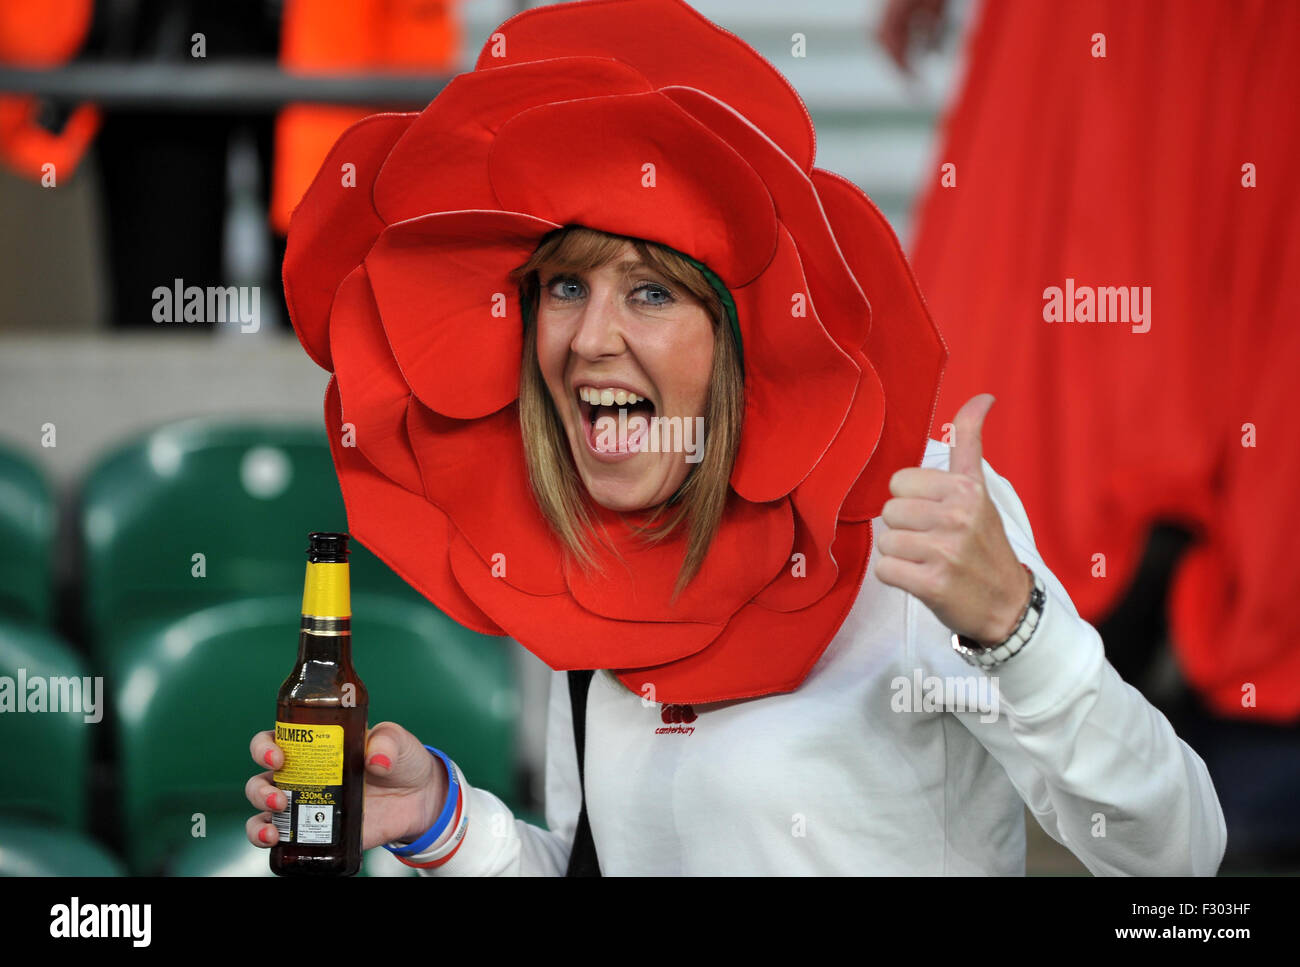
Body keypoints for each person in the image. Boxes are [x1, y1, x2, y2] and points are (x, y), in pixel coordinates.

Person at [244, 0, 1225, 875]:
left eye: (650, 291)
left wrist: (1017, 630)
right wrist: (446, 824)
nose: (590, 338)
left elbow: (1175, 853)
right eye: (566, 287)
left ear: (741, 331)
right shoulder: (575, 559)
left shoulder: (922, 525)